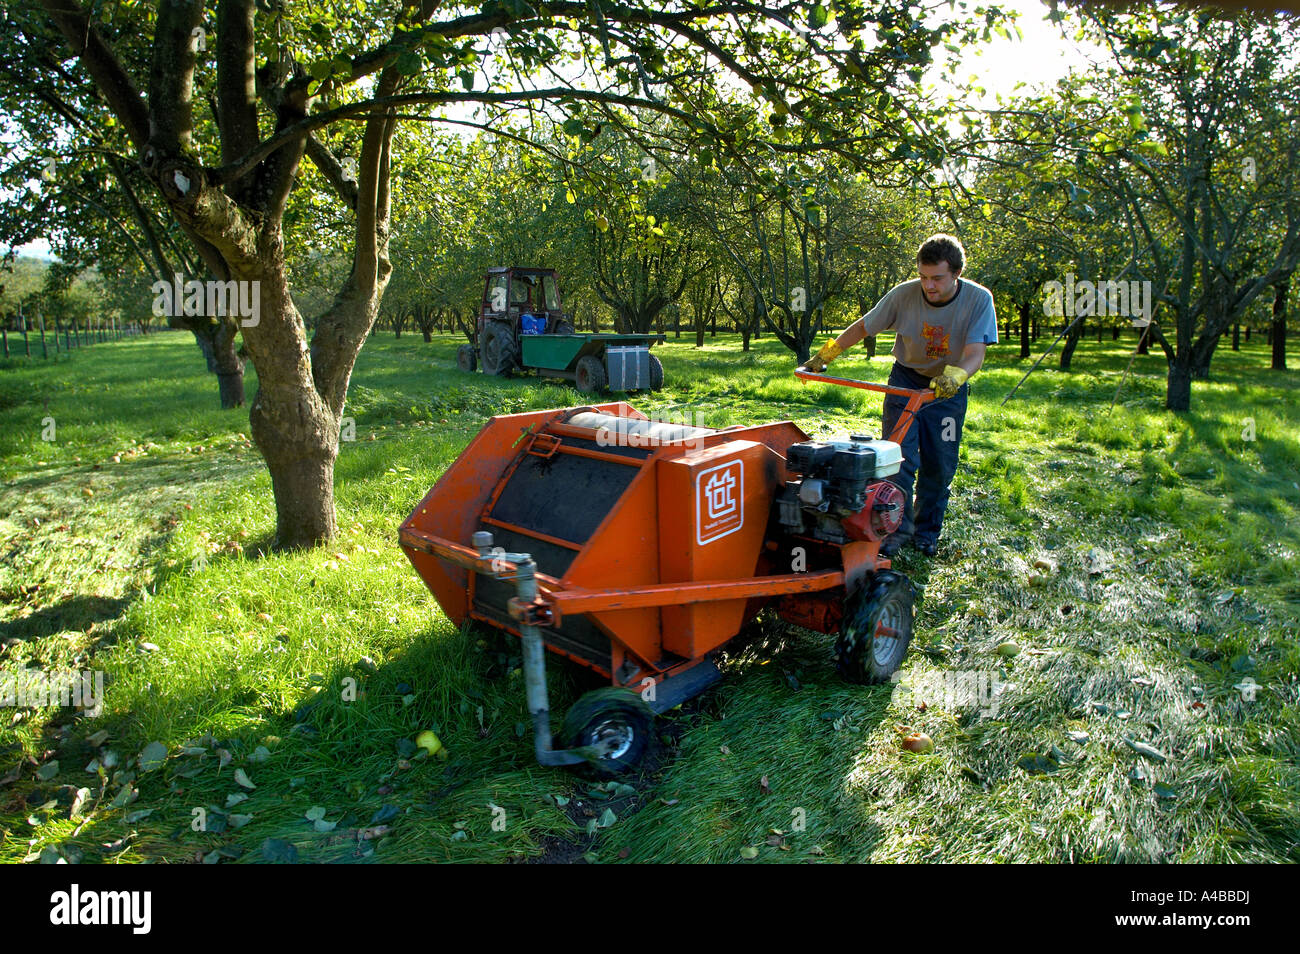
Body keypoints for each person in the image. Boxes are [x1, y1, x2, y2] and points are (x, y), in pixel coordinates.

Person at [803, 234, 997, 558]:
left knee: (940, 465)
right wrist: (825, 355)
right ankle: (897, 530)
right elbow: (863, 327)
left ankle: (926, 534)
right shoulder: (904, 295)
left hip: (946, 392)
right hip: (905, 383)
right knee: (897, 461)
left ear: (956, 274)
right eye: (923, 276)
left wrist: (957, 375)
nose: (928, 286)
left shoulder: (978, 300)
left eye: (937, 278)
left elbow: (976, 352)